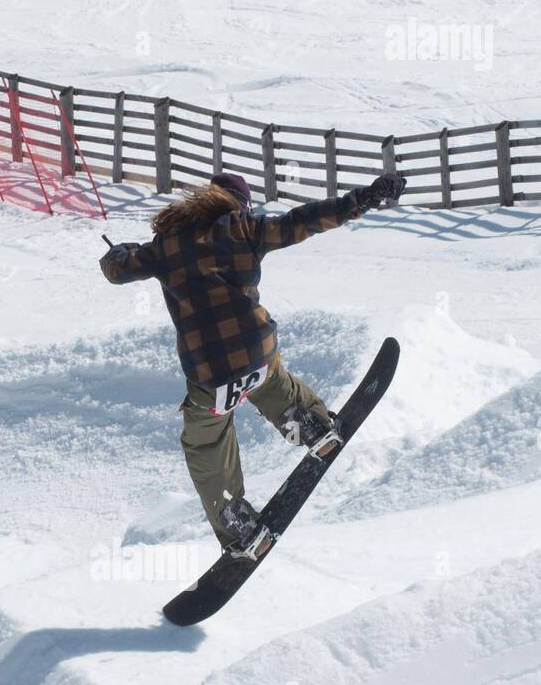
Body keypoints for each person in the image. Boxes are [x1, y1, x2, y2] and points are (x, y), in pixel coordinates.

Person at [99, 168, 406, 556]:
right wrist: (362, 199)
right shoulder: (245, 229)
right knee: (271, 380)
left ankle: (235, 519)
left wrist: (117, 252)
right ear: (239, 205)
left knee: (206, 443)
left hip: (210, 373)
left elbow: (116, 271)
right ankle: (308, 424)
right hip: (256, 351)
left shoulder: (166, 247)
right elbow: (303, 220)